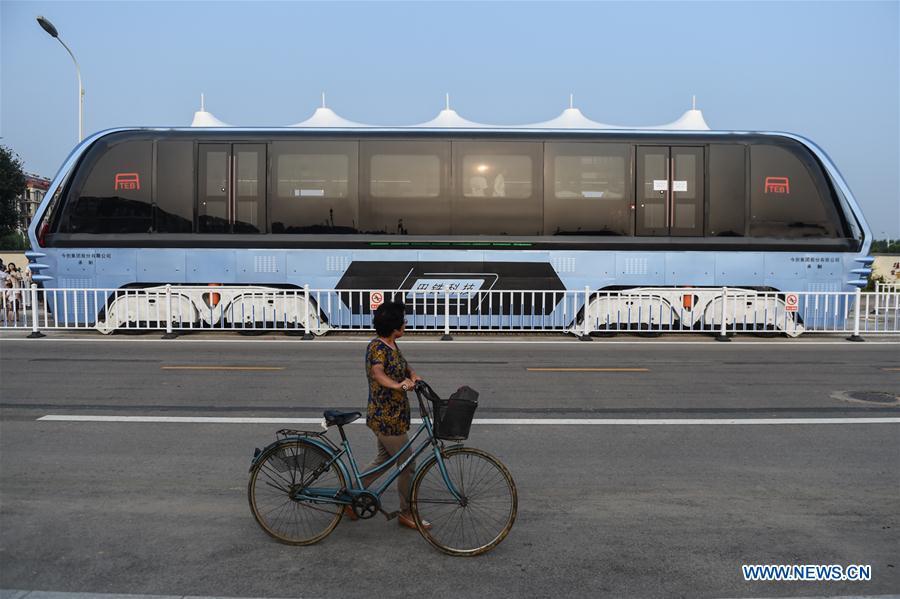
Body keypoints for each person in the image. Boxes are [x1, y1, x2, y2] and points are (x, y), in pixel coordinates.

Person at [354, 300, 430, 530]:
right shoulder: (377, 347)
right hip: (386, 417)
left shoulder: (392, 344)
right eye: (403, 322)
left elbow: (404, 366)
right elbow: (378, 373)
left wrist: (414, 376)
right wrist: (398, 386)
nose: (405, 325)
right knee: (408, 464)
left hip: (394, 416)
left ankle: (350, 495)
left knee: (384, 460)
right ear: (394, 326)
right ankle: (406, 513)